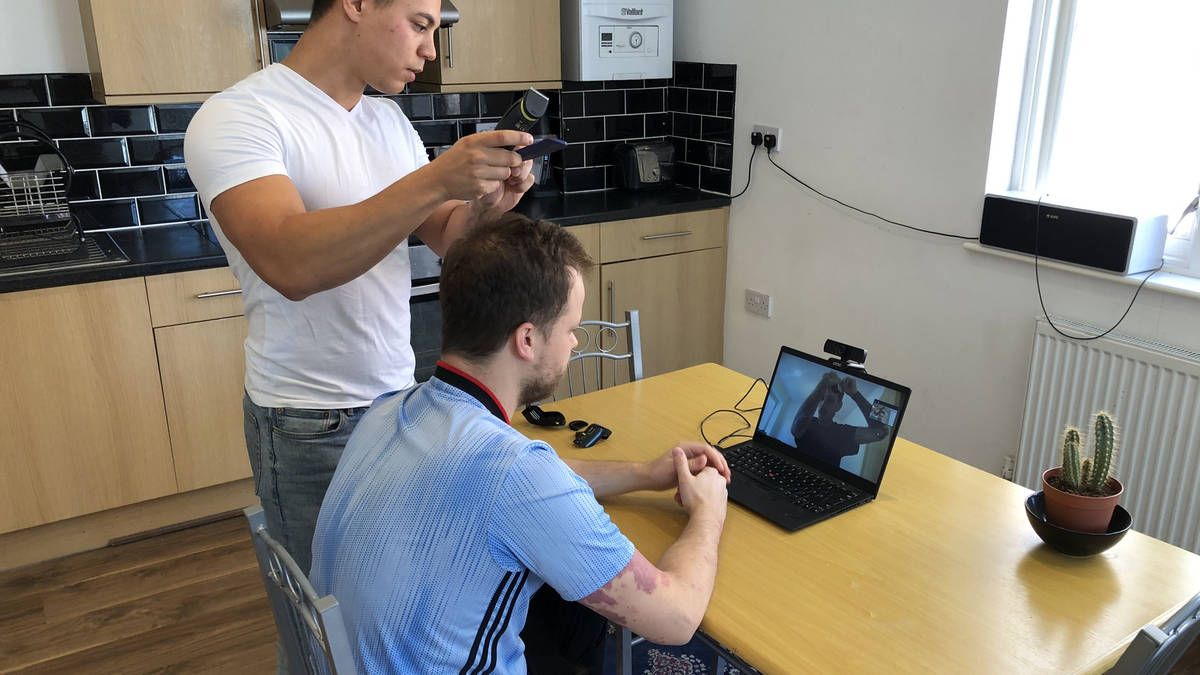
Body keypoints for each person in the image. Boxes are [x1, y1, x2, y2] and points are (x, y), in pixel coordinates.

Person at [183, 0, 535, 575]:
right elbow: (290, 263)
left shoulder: (388, 122)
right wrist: (435, 178)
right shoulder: (241, 116)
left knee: (387, 599)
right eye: (421, 25)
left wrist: (492, 205)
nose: (430, 49)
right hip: (309, 421)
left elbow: (451, 237)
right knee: (329, 632)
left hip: (398, 400)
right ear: (357, 5)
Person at [309, 214, 731, 674]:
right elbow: (676, 620)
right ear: (527, 339)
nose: (573, 342)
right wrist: (709, 511)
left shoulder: (391, 410)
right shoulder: (514, 472)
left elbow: (521, 481)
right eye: (571, 328)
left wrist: (645, 474)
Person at [789, 372, 888, 467]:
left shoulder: (843, 432)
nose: (823, 404)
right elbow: (796, 428)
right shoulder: (807, 423)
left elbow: (881, 431)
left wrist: (855, 394)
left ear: (839, 407)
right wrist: (823, 384)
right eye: (821, 398)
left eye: (830, 400)